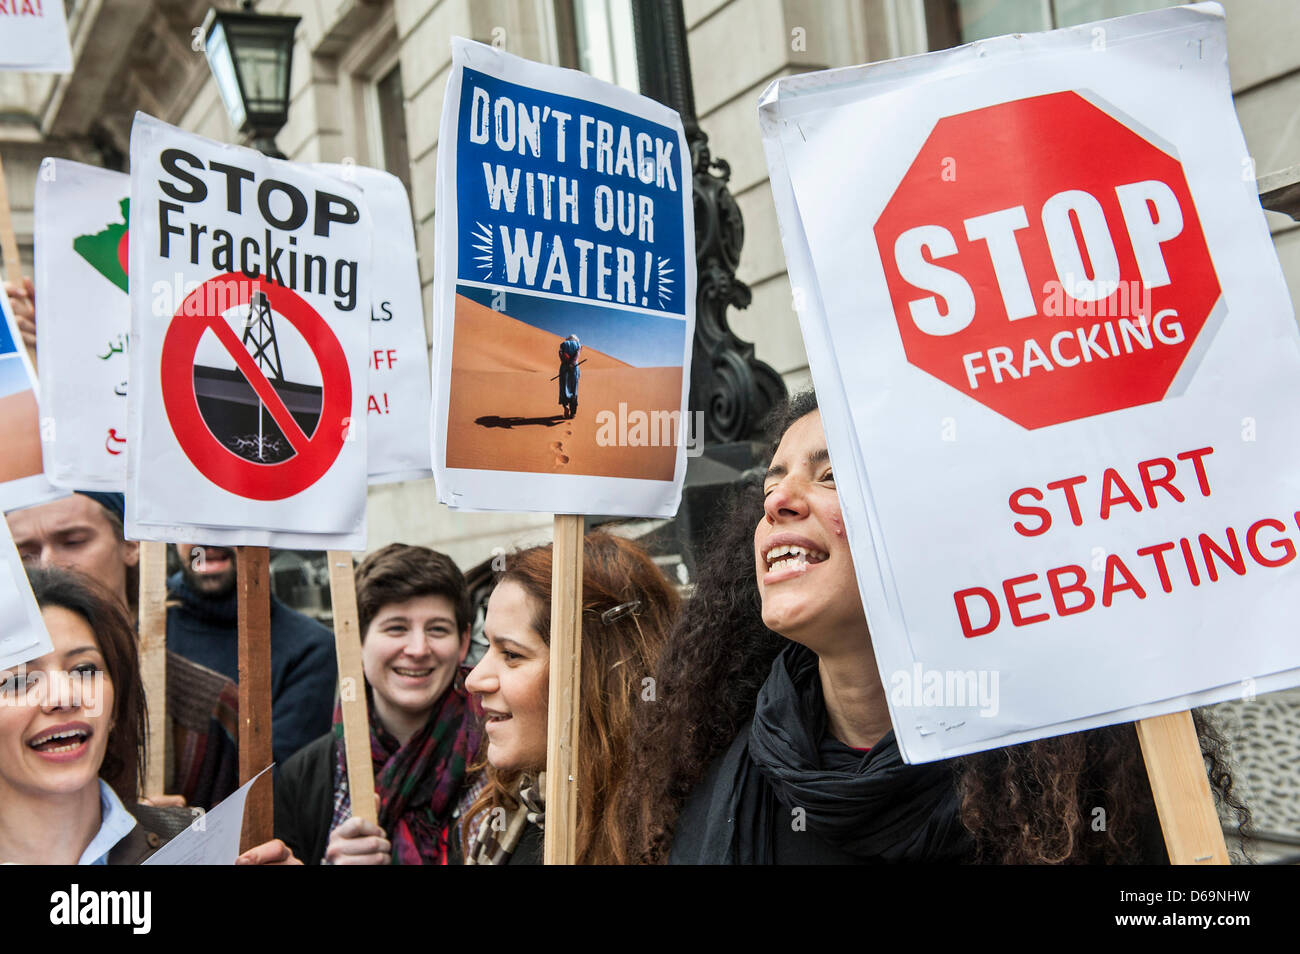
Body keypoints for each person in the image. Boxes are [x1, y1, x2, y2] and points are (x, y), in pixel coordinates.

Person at [622, 391, 1249, 864]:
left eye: (832, 475)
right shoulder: (720, 783)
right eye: (772, 480)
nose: (777, 501)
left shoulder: (1058, 794)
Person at [5, 492, 240, 809]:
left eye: (73, 541)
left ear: (132, 543)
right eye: (26, 552)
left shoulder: (206, 709)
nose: (49, 564)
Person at [458, 532, 679, 864]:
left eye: (512, 655)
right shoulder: (514, 813)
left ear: (598, 673)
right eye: (487, 646)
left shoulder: (680, 834)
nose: (474, 680)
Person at [267, 544, 483, 865]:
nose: (418, 649)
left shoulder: (498, 761)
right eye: (396, 628)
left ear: (464, 642)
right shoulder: (302, 778)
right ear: (356, 641)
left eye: (437, 629)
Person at [0, 566, 191, 863]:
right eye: (20, 680)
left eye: (84, 669)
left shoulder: (201, 849)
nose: (64, 697)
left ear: (115, 708)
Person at [167, 543, 336, 768]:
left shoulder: (310, 649)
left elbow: (283, 784)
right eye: (193, 517)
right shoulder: (136, 629)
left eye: (230, 513)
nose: (209, 537)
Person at [557, 334, 581, 419]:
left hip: (564, 367)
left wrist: (566, 361)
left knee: (564, 387)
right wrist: (572, 363)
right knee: (574, 389)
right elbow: (577, 355)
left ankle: (565, 406)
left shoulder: (563, 344)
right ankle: (573, 413)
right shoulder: (578, 345)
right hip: (574, 368)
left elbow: (560, 353)